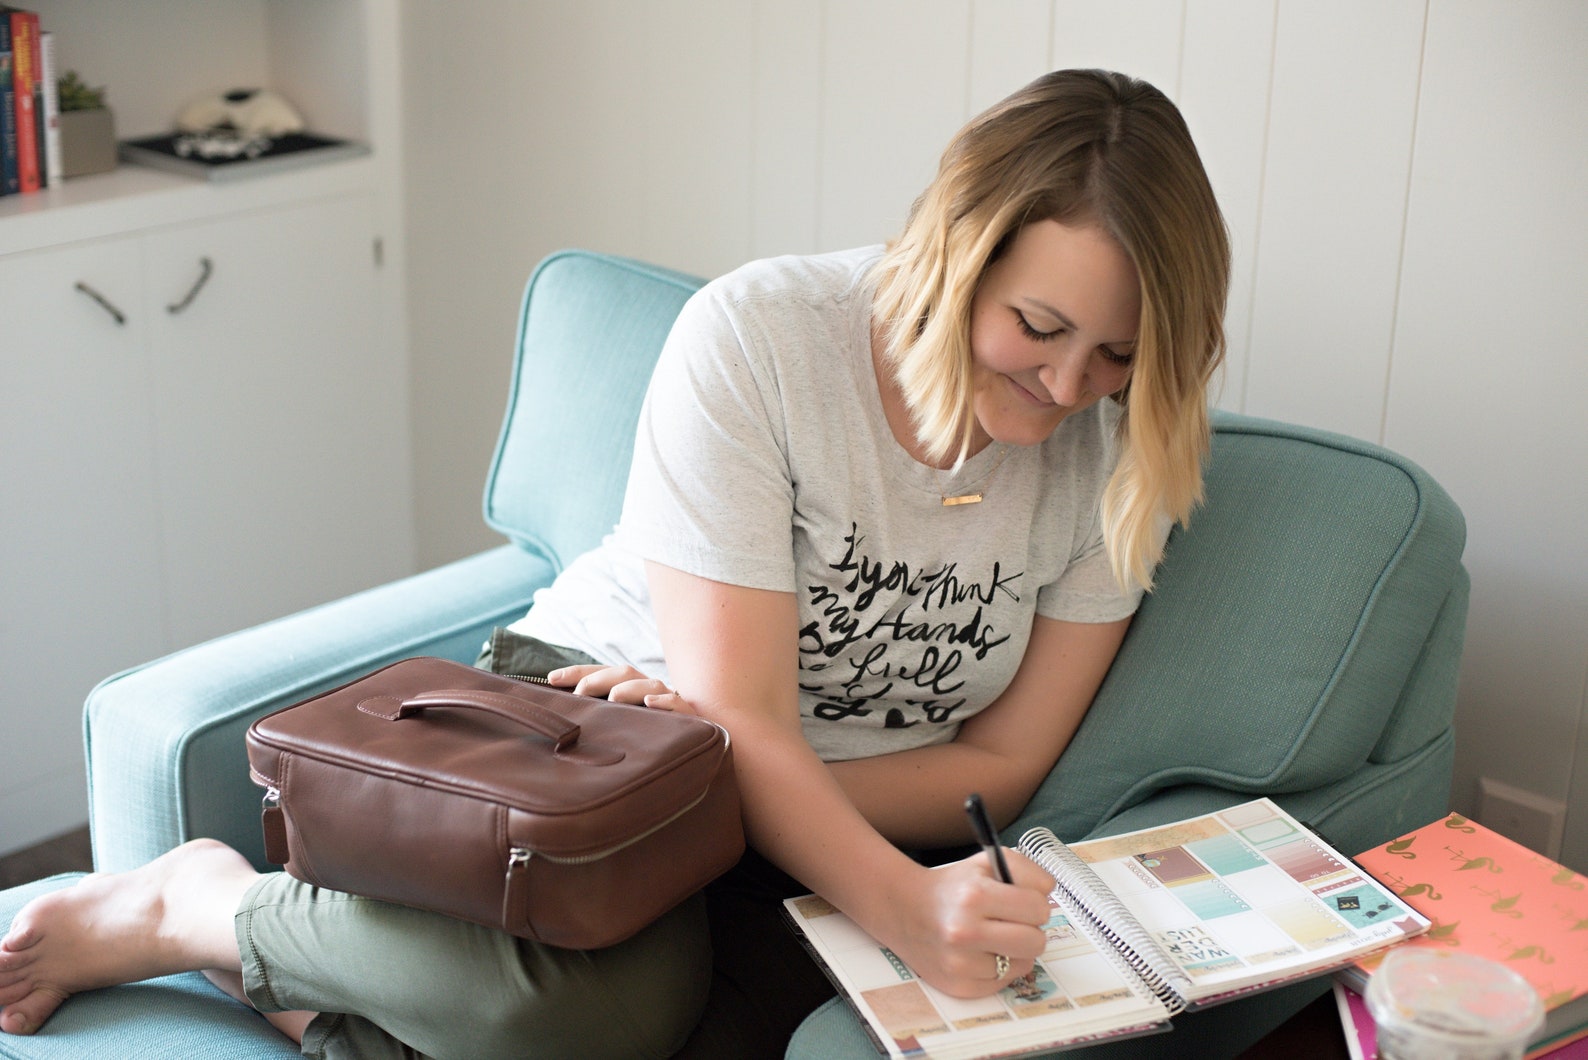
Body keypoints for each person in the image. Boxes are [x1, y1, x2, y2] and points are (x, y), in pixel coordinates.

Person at [0, 68, 1229, 1059]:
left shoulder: (1118, 456)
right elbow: (741, 716)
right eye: (1039, 329)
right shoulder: (765, 340)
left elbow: (1002, 763)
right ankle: (195, 907)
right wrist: (891, 896)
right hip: (590, 722)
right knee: (581, 1014)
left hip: (746, 804)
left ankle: (301, 997)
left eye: (1118, 354)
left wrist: (731, 796)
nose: (1071, 389)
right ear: (961, 253)